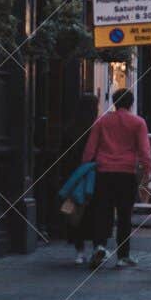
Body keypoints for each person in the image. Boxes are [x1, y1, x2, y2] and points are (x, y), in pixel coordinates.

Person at [84, 89, 151, 269]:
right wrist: (147, 170)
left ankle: (99, 246)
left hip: (104, 172)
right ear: (130, 103)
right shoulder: (138, 123)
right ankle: (123, 255)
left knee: (102, 211)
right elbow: (144, 150)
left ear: (114, 102)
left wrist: (85, 166)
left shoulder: (102, 122)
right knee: (124, 215)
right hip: (126, 173)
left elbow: (91, 149)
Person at [60, 91, 99, 264]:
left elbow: (63, 156)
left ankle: (79, 250)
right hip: (94, 176)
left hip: (74, 176)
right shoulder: (97, 129)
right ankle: (97, 246)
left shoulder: (70, 129)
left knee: (76, 212)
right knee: (95, 212)